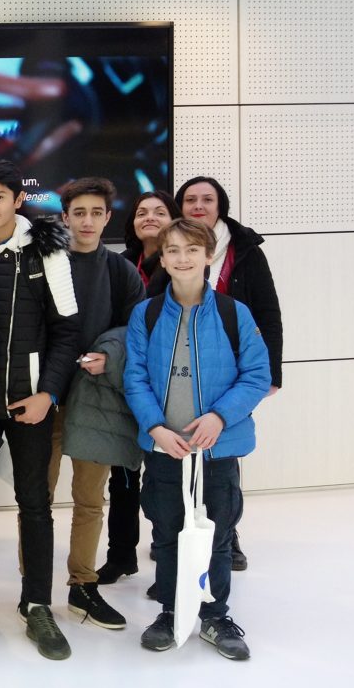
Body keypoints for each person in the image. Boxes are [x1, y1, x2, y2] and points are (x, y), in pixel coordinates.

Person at [0, 159, 80, 661]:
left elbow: (67, 331)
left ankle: (37, 604)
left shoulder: (47, 250)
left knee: (35, 503)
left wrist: (49, 394)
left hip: (30, 401)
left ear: (18, 199)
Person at [123, 218, 270, 661]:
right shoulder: (146, 314)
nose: (182, 258)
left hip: (216, 450)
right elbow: (134, 377)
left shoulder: (233, 313)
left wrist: (220, 417)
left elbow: (257, 375)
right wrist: (156, 427)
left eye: (192, 249)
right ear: (162, 259)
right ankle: (171, 612)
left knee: (217, 535)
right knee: (168, 533)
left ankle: (214, 616)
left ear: (209, 256)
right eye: (173, 250)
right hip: (166, 448)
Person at [48, 177, 145, 632]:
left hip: (97, 399)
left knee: (89, 499)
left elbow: (138, 331)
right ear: (65, 217)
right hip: (47, 395)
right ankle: (33, 590)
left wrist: (111, 355)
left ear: (108, 217)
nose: (87, 221)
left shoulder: (121, 272)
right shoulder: (45, 263)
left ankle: (82, 585)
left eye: (96, 213)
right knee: (37, 499)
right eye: (79, 212)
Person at [174, 175, 283, 572]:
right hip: (182, 367)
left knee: (222, 454)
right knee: (180, 451)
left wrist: (271, 372)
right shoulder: (171, 248)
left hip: (233, 369)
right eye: (190, 200)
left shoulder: (245, 250)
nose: (198, 206)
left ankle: (226, 535)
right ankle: (180, 532)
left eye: (207, 199)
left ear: (220, 205)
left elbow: (268, 311)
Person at [98, 191, 174, 584]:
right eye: (142, 211)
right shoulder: (120, 264)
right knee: (124, 477)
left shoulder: (182, 264)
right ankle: (121, 555)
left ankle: (169, 556)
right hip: (125, 381)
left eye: (160, 211)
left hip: (170, 384)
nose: (150, 217)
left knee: (164, 478)